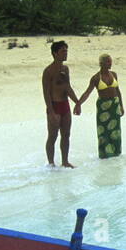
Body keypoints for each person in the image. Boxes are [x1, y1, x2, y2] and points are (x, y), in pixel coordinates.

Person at [75, 53, 125, 158]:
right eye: (108, 61)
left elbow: (118, 91)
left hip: (114, 106)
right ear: (101, 63)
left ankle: (116, 154)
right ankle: (104, 155)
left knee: (115, 131)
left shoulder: (114, 74)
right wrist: (78, 104)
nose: (110, 63)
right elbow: (87, 92)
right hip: (103, 107)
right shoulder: (96, 78)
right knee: (103, 132)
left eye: (110, 61)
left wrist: (121, 105)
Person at [42, 40, 80, 168]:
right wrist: (51, 112)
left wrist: (77, 102)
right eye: (63, 51)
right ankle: (51, 163)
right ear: (55, 53)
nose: (66, 53)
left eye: (66, 51)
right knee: (52, 136)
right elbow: (46, 93)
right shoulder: (48, 71)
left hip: (65, 106)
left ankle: (65, 161)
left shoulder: (65, 69)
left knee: (66, 134)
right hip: (54, 106)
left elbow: (67, 87)